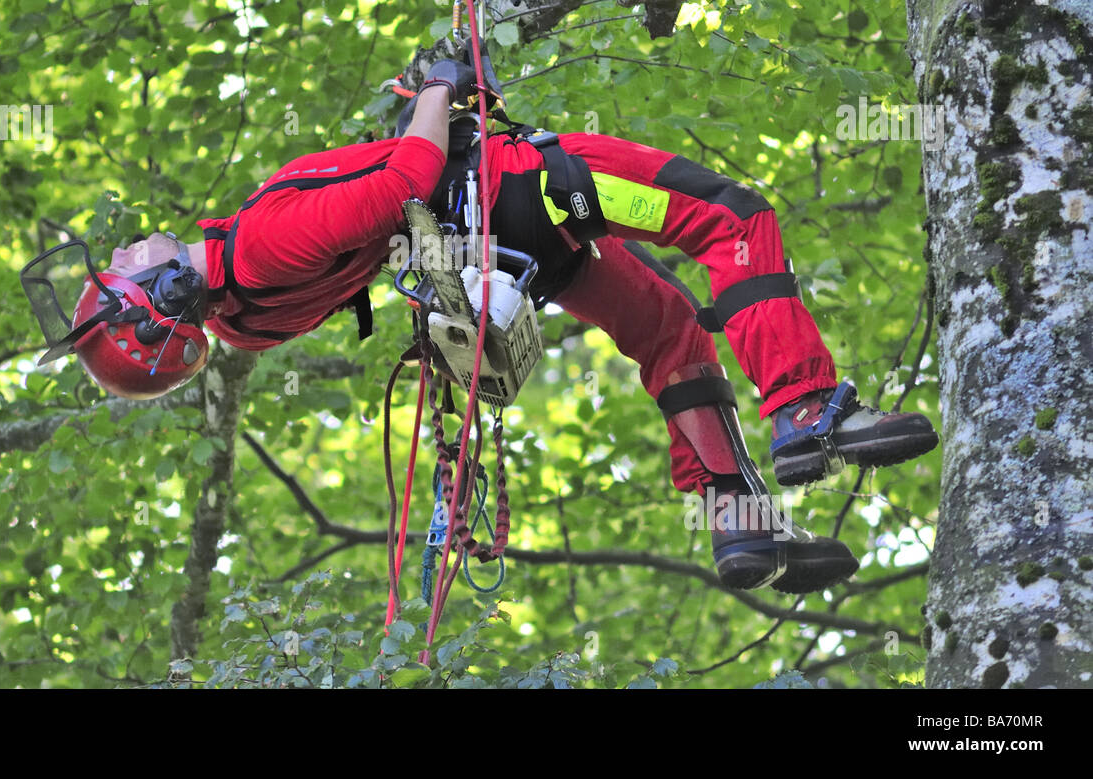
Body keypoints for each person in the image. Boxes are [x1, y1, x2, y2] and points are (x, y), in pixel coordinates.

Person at [70, 52, 939, 593]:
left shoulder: (246, 318)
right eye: (125, 273)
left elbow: (379, 211)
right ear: (157, 299)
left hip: (507, 245)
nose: (130, 249)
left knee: (668, 325)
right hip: (526, 194)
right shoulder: (258, 245)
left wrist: (429, 104)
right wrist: (441, 88)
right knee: (733, 217)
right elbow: (406, 179)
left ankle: (736, 518)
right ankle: (804, 407)